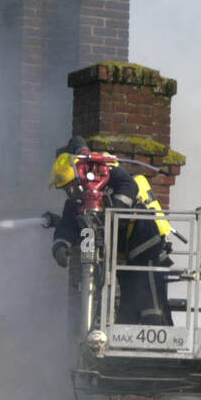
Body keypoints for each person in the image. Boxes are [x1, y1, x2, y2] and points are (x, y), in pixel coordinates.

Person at [50, 137, 172, 325]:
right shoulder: (76, 201)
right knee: (128, 299)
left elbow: (129, 185)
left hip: (142, 239)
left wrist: (111, 212)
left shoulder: (108, 173)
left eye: (71, 186)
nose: (70, 192)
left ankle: (157, 331)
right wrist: (60, 247)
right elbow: (66, 226)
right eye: (66, 189)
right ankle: (124, 335)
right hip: (122, 252)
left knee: (150, 294)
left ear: (79, 178)